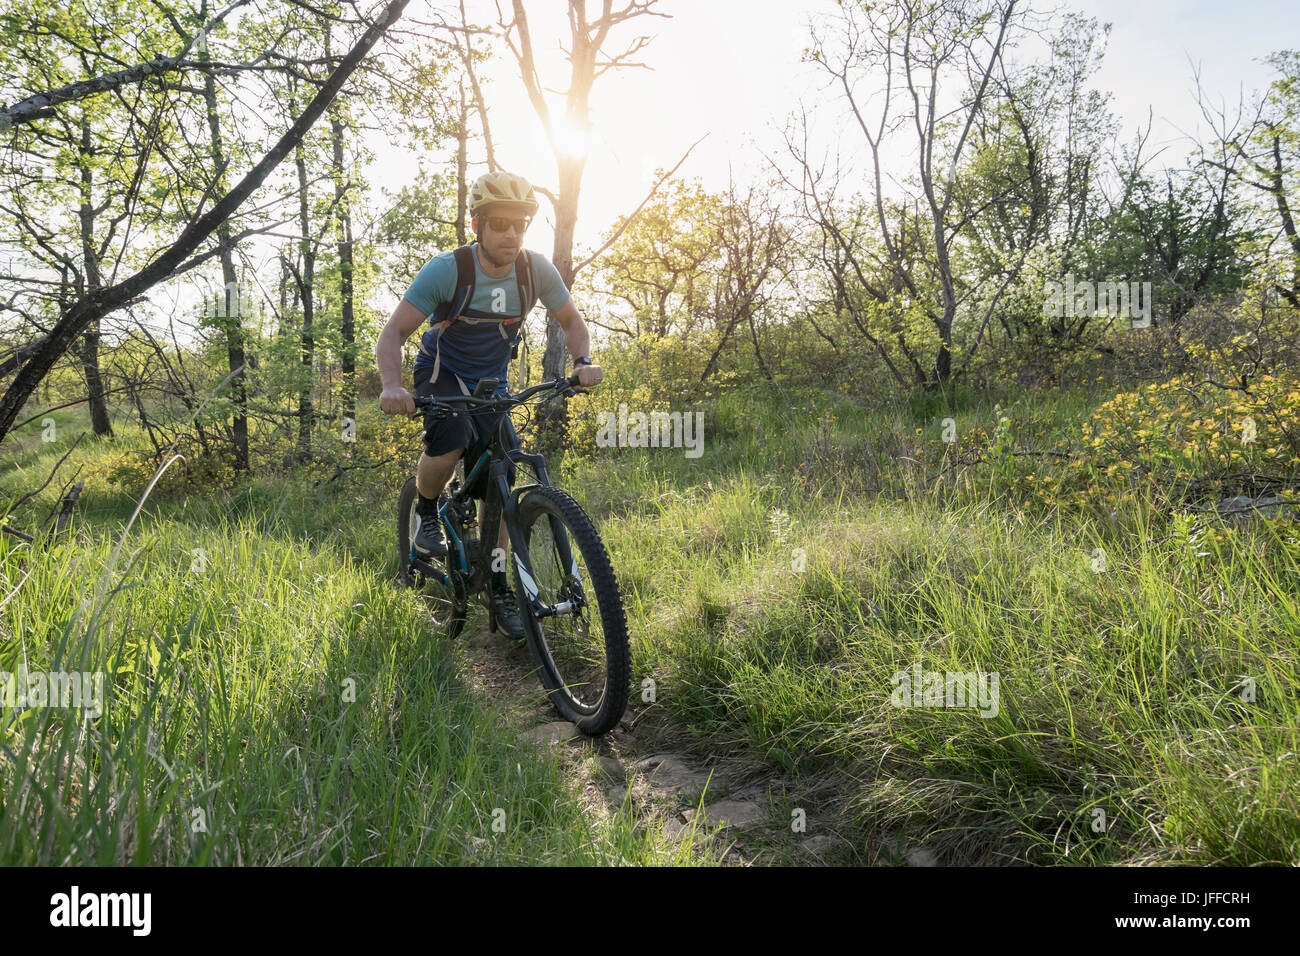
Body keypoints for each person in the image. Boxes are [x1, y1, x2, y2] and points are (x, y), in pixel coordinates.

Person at [375, 170, 604, 639]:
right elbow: (393, 334)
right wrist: (393, 386)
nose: (511, 233)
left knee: (500, 481)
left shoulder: (534, 269)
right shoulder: (449, 270)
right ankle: (425, 509)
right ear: (477, 225)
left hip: (492, 385)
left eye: (520, 224)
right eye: (500, 224)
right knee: (452, 436)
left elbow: (571, 320)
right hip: (442, 376)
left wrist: (583, 360)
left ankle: (498, 587)